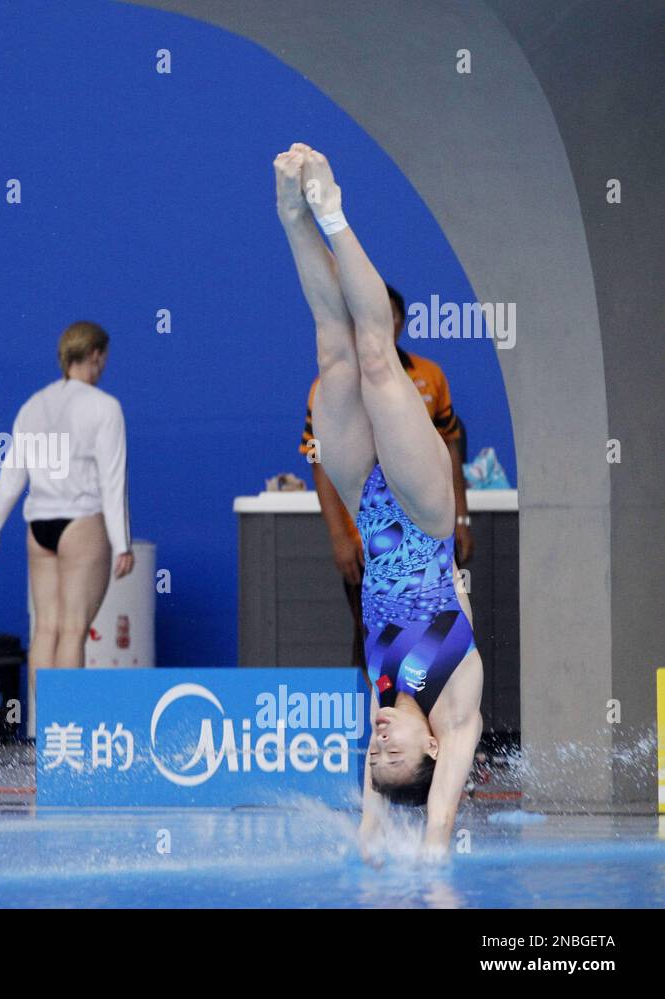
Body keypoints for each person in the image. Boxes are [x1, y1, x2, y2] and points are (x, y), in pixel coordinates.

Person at [274, 143, 482, 862]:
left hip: (368, 501)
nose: (380, 742)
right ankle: (335, 215)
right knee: (376, 361)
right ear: (430, 745)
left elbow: (372, 813)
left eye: (374, 755)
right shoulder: (456, 697)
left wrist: (370, 832)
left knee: (333, 354)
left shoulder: (384, 686)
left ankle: (295, 220)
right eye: (395, 753)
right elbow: (440, 810)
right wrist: (430, 844)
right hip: (423, 513)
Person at [0, 321, 133, 737]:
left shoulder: (32, 406)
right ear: (96, 356)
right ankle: (71, 729)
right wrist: (122, 543)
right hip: (81, 523)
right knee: (75, 629)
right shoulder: (104, 407)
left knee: (45, 628)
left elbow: (10, 479)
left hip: (38, 525)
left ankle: (47, 731)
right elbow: (114, 482)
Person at [300, 285, 472, 666]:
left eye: (389, 315)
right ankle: (377, 721)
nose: (380, 323)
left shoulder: (429, 376)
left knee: (436, 627)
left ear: (400, 322)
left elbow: (450, 448)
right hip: (368, 537)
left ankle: (424, 718)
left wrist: (461, 517)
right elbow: (320, 461)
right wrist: (340, 537)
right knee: (372, 632)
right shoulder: (328, 389)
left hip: (428, 532)